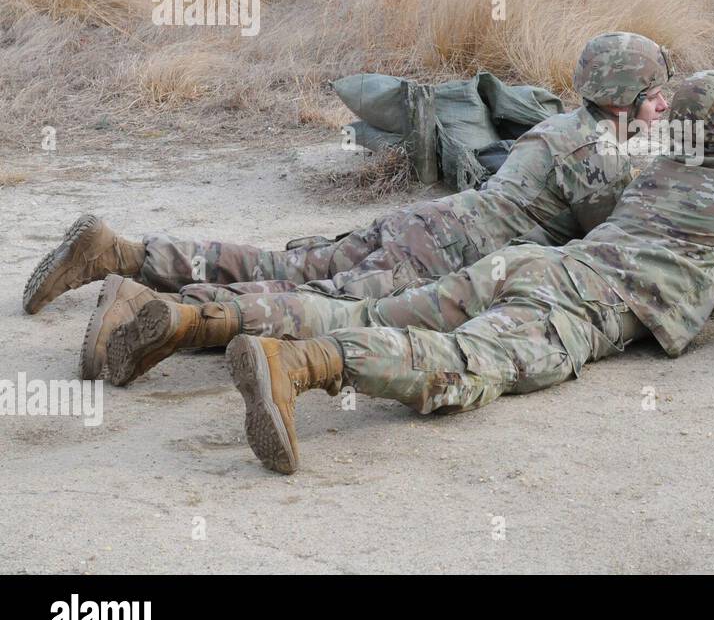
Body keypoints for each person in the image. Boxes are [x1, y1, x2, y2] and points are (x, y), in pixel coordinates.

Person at [219, 69, 714, 474]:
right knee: (464, 366)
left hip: (537, 263)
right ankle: (298, 365)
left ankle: (223, 318)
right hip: (580, 306)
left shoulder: (654, 168)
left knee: (378, 309)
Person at [23, 32, 672, 381]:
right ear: (622, 95)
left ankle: (126, 255)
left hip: (426, 225)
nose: (664, 105)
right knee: (322, 306)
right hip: (451, 249)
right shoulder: (598, 152)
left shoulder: (562, 125)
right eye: (654, 94)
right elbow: (615, 237)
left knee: (293, 268)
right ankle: (157, 313)